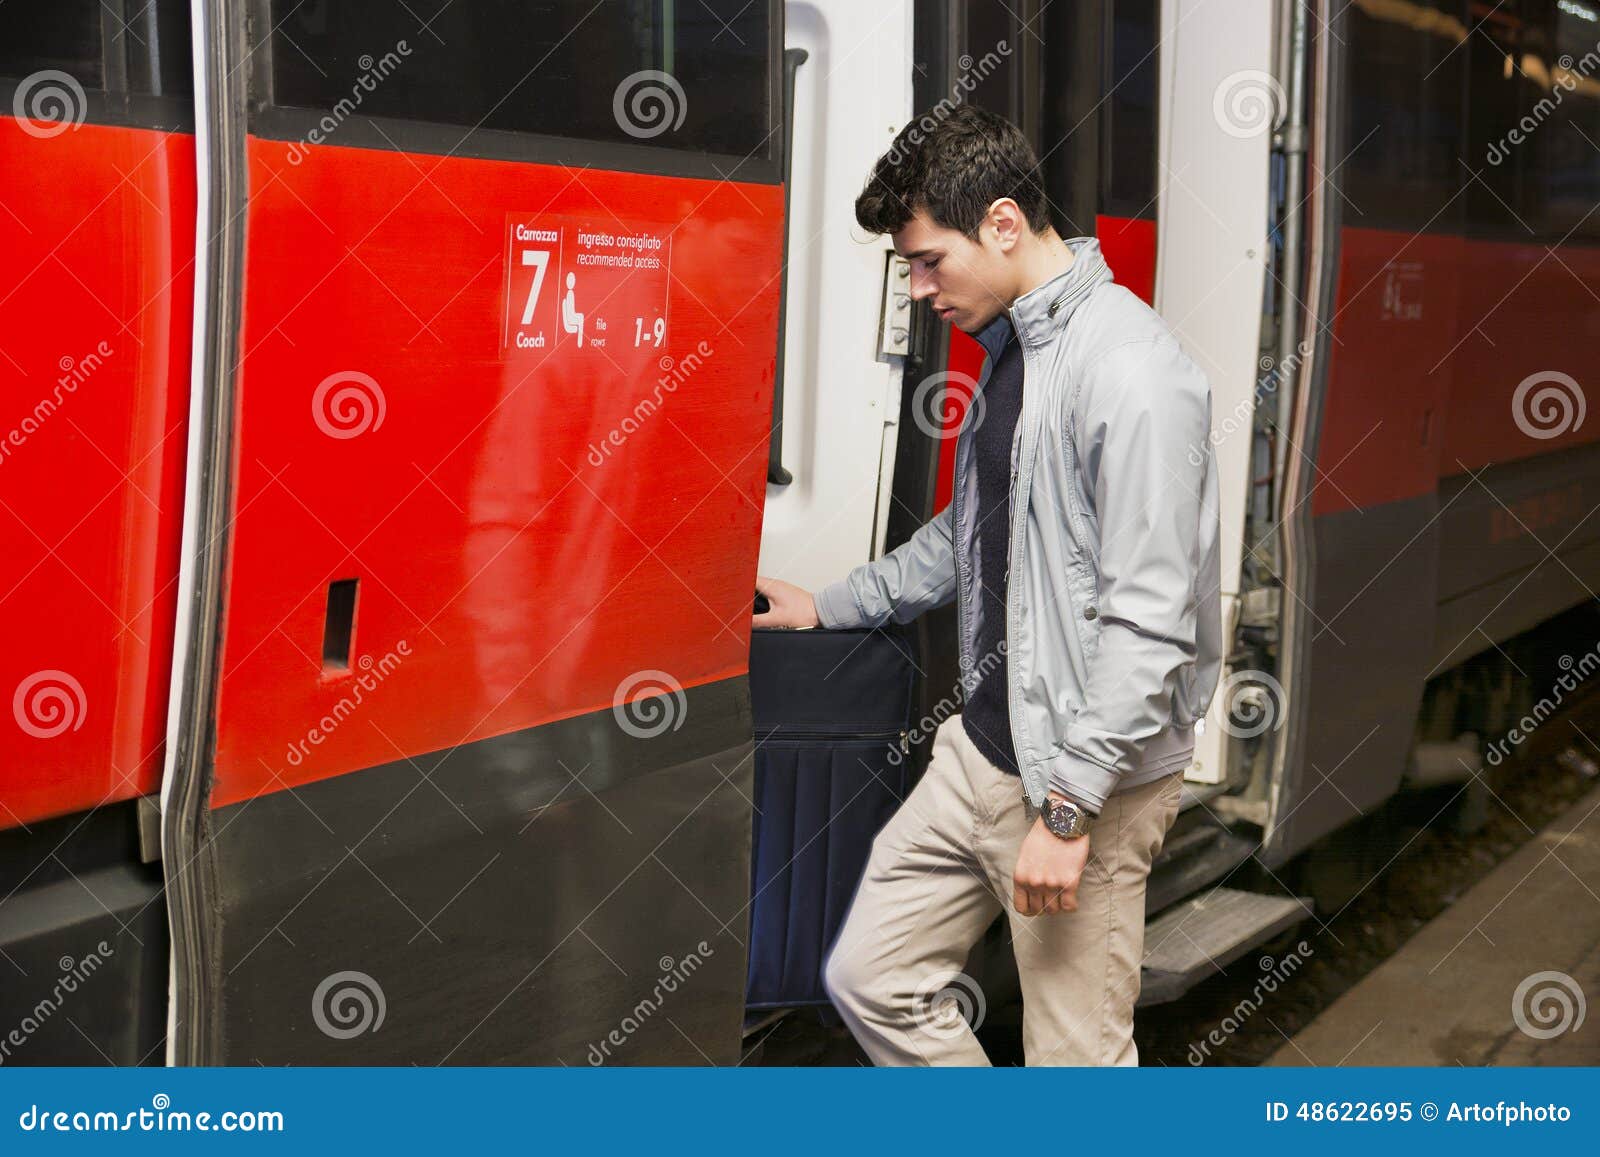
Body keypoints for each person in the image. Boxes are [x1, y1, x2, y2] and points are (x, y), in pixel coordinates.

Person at [752, 104, 1222, 1066]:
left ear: (1003, 224)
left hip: (1088, 779)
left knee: (1075, 1062)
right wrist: (832, 603)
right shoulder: (1020, 349)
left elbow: (1151, 619)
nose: (920, 289)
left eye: (929, 260)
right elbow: (977, 532)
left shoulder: (1134, 374)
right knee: (872, 979)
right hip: (985, 748)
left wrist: (1067, 812)